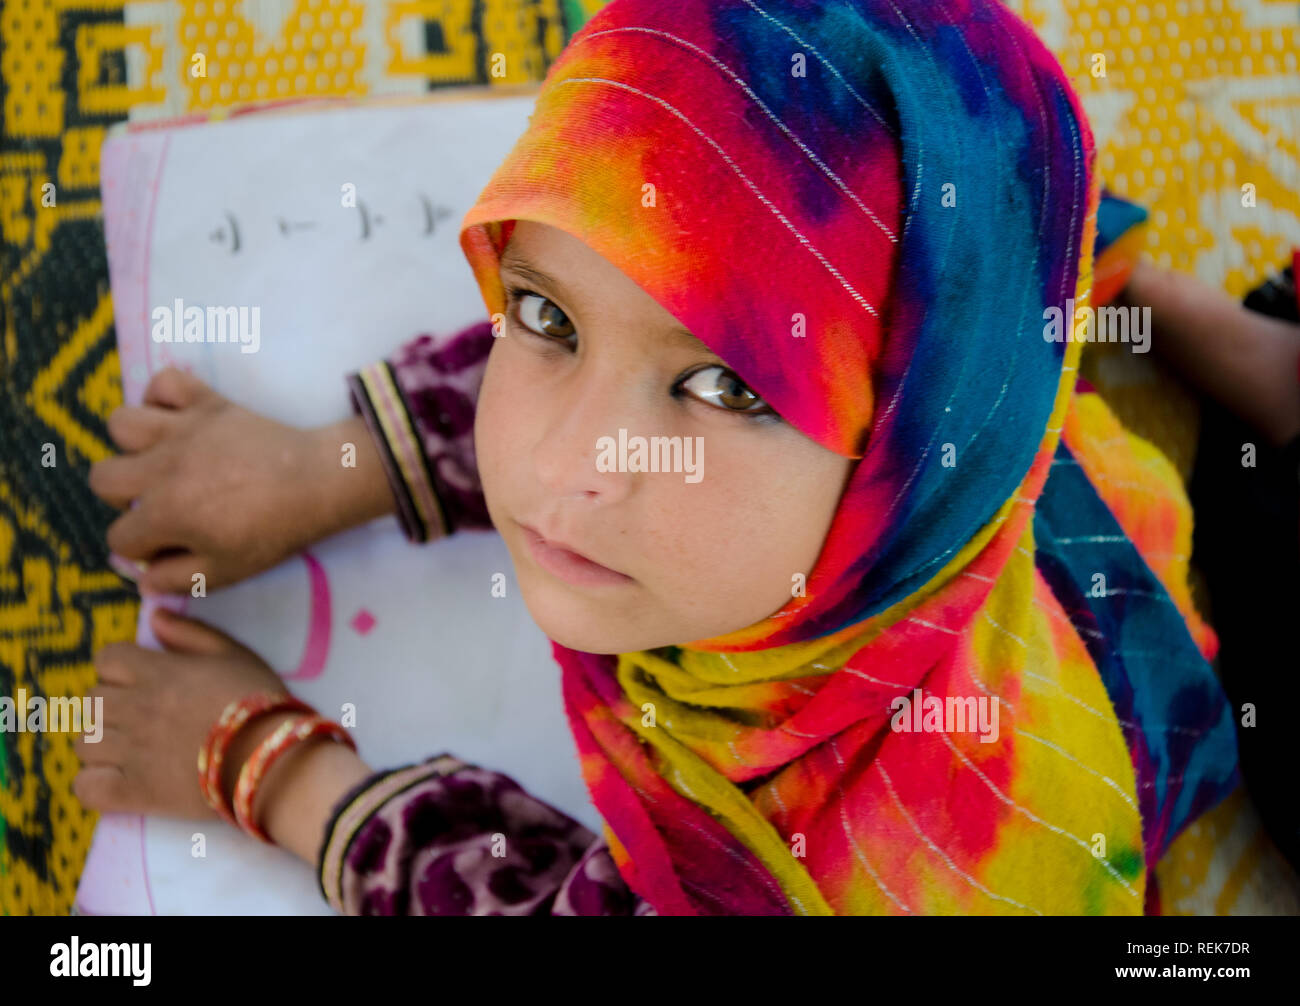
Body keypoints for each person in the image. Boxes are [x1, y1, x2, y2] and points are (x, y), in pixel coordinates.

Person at [76, 0, 1248, 915]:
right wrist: (332, 461)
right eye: (544, 320)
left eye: (729, 384)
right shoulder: (933, 415)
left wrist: (271, 769)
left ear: (907, 467)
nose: (564, 463)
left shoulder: (853, 872)